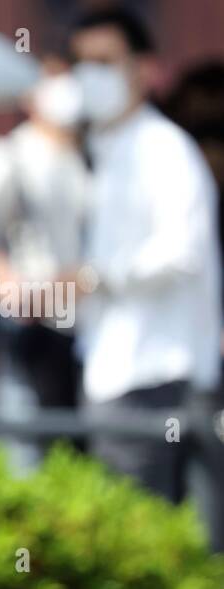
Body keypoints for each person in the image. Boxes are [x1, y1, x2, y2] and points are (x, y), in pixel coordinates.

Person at [64, 6, 223, 505]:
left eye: (105, 62)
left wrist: (98, 278)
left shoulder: (164, 151)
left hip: (156, 375)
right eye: (82, 63)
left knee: (144, 530)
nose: (91, 76)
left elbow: (182, 251)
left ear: (144, 68)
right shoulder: (105, 153)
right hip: (115, 372)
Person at [0, 54, 90, 467]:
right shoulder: (7, 156)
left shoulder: (95, 156)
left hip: (93, 331)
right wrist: (17, 297)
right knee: (27, 454)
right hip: (32, 332)